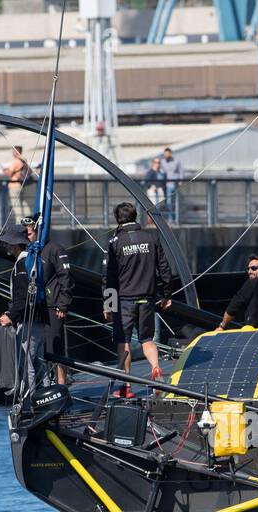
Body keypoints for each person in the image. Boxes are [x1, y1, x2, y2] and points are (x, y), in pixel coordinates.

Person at [103, 201, 172, 397]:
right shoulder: (151, 238)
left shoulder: (115, 242)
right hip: (147, 298)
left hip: (125, 299)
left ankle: (126, 386)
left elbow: (109, 276)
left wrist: (108, 304)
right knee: (147, 339)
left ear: (118, 219)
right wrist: (167, 294)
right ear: (135, 216)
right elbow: (165, 268)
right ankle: (156, 368)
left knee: (123, 341)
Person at [0, 217, 74, 390]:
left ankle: (35, 399)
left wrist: (11, 315)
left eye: (30, 232)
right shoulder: (33, 256)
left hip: (42, 312)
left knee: (32, 361)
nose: (7, 247)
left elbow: (25, 295)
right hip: (39, 313)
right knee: (40, 360)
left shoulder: (28, 261)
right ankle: (46, 393)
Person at [3, 145, 37, 219]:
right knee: (25, 205)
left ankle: (19, 224)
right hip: (22, 185)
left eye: (14, 151)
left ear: (17, 151)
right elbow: (29, 171)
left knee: (17, 207)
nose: (12, 153)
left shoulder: (16, 161)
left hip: (14, 186)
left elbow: (9, 174)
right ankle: (28, 222)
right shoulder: (24, 160)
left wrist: (5, 171)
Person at [161, 147, 183, 220]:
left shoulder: (176, 161)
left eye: (167, 154)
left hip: (175, 184)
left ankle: (177, 218)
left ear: (170, 154)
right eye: (165, 154)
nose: (166, 155)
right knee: (169, 201)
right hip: (168, 185)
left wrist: (180, 181)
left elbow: (180, 172)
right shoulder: (162, 162)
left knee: (176, 201)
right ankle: (170, 217)